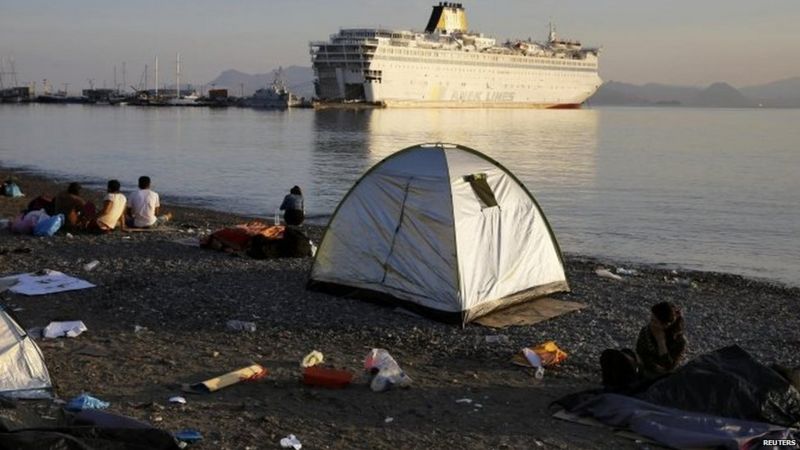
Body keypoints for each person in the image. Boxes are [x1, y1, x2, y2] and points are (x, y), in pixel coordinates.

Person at [635, 301, 688, 378]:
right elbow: (640, 353)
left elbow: (669, 366)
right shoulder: (646, 331)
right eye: (651, 319)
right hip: (645, 369)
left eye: (655, 322)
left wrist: (661, 342)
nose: (651, 324)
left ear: (666, 325)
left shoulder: (679, 341)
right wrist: (653, 366)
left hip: (664, 377)